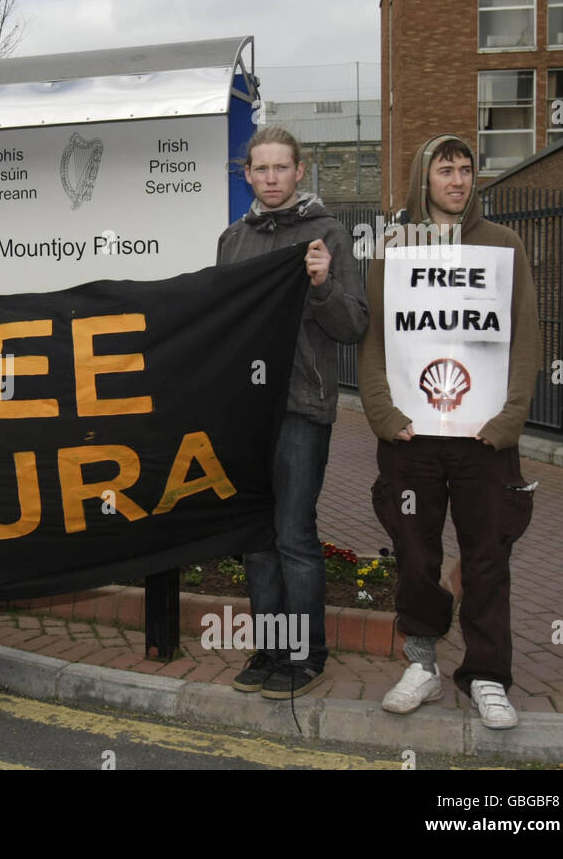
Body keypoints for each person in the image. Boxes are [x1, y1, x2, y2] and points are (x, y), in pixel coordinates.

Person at [359, 134, 539, 729]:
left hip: (485, 439)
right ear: (423, 179)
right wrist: (384, 414)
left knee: (487, 559)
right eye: (445, 171)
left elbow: (525, 340)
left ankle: (487, 676)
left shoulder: (503, 246)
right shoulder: (394, 248)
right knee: (416, 555)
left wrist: (510, 418)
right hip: (412, 439)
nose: (458, 180)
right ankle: (422, 666)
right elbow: (378, 341)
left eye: (465, 170)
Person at [216, 126, 369, 699]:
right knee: (256, 537)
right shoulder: (232, 241)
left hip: (303, 407)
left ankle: (307, 656)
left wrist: (324, 283)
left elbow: (353, 325)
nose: (272, 177)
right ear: (248, 174)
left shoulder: (328, 234)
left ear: (299, 171)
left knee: (294, 535)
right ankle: (272, 649)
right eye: (262, 168)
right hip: (247, 413)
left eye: (282, 167)